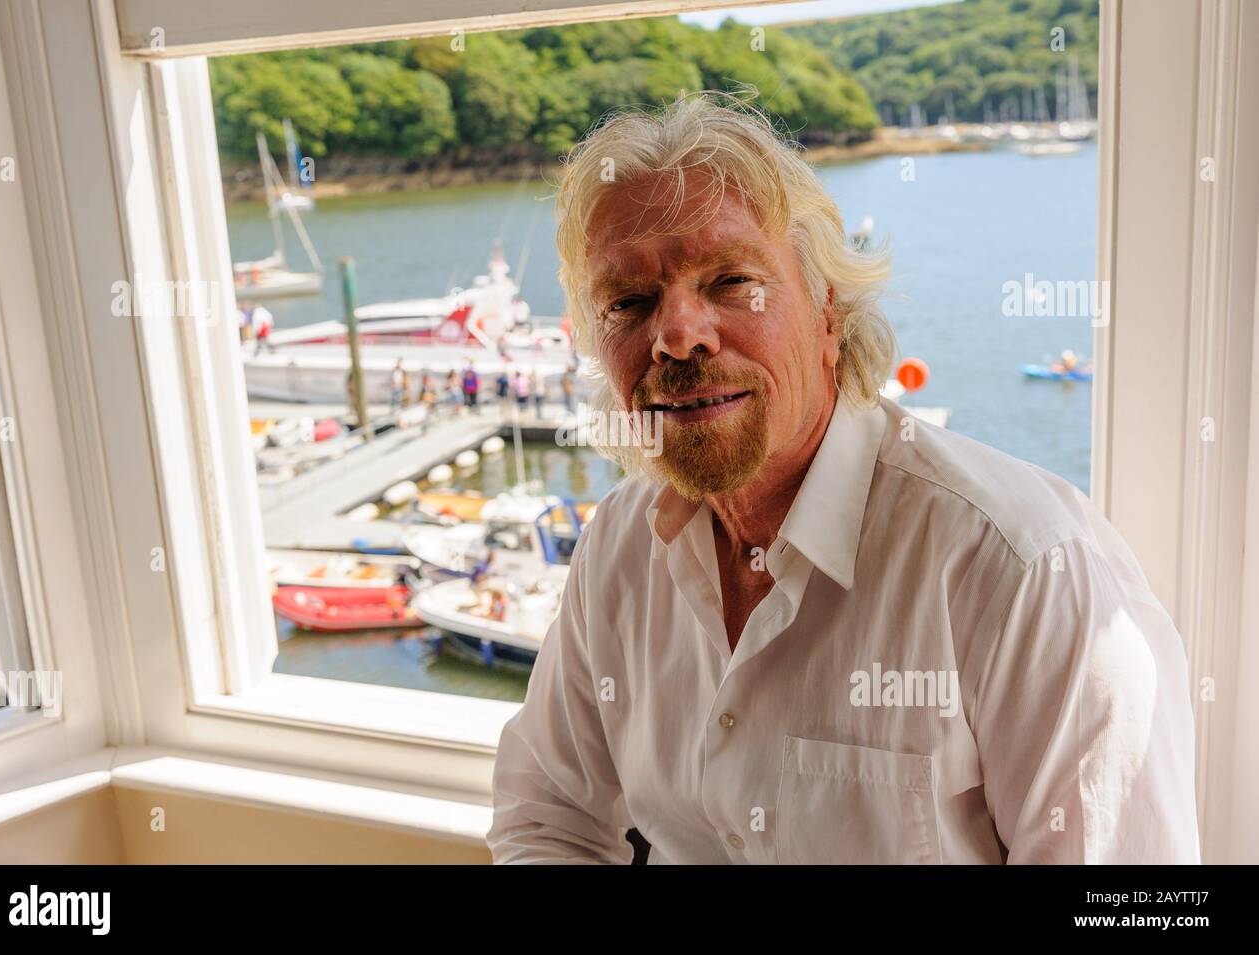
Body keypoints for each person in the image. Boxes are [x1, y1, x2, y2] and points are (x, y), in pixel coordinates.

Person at [487, 94, 1199, 865]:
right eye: (628, 301)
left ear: (830, 311)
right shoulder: (619, 548)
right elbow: (547, 813)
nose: (678, 334)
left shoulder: (1025, 568)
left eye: (731, 282)